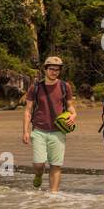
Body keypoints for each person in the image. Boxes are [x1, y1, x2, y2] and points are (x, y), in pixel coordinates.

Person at [22, 56, 76, 192]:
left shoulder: (65, 86)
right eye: (51, 69)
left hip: (58, 131)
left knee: (56, 165)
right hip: (39, 130)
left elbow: (70, 107)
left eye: (57, 70)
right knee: (39, 164)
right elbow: (28, 111)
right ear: (45, 70)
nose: (54, 72)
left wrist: (74, 115)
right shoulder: (35, 88)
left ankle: (53, 195)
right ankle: (38, 175)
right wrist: (25, 131)